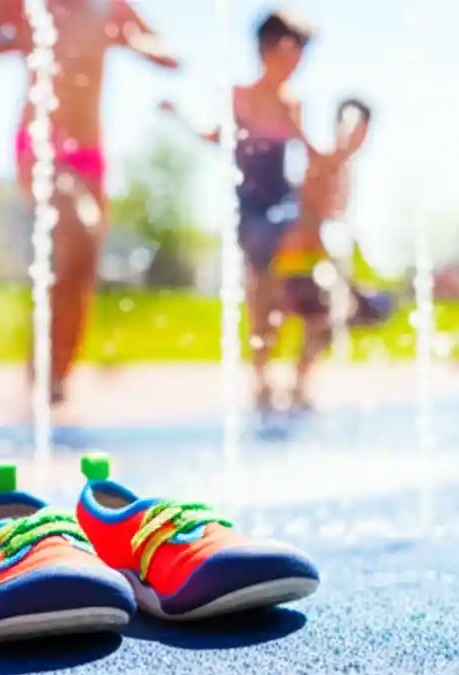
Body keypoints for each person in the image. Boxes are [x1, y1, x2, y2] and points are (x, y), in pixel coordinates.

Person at [0, 0, 179, 405]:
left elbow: (170, 56)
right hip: (40, 145)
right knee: (81, 236)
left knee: (82, 266)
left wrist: (133, 42)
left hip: (91, 155)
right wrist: (9, 43)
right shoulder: (24, 4)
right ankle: (45, 376)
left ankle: (55, 375)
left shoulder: (110, 6)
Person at [163, 10, 312, 411]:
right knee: (261, 293)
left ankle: (296, 379)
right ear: (270, 49)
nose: (297, 60)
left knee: (298, 292)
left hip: (285, 206)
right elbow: (216, 138)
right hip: (251, 208)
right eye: (293, 49)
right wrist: (179, 118)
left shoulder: (292, 102)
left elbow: (311, 155)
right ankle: (261, 379)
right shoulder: (240, 97)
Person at [272, 98, 388, 410]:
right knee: (312, 317)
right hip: (301, 256)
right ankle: (281, 386)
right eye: (350, 128)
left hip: (320, 257)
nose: (355, 136)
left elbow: (335, 221)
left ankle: (296, 385)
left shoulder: (345, 167)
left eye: (361, 130)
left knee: (324, 319)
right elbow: (313, 211)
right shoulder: (324, 160)